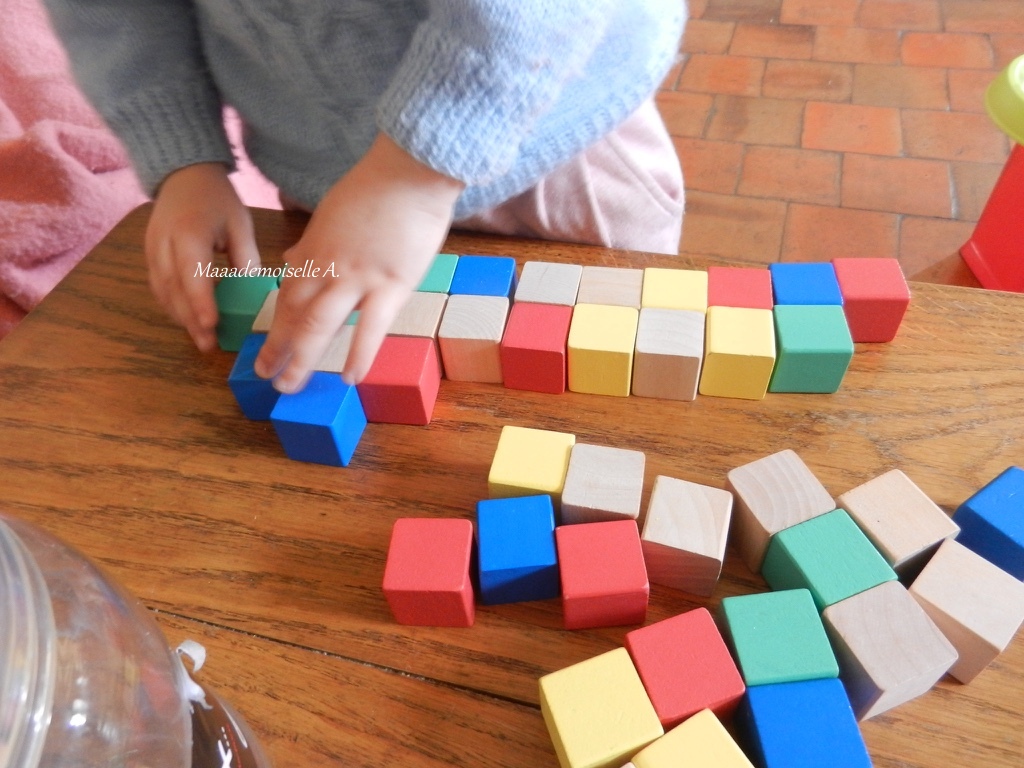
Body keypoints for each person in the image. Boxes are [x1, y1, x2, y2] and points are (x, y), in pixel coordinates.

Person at [44, 1, 686, 393]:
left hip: (553, 125)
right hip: (326, 169)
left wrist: (410, 172)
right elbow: (108, 10)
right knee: (356, 353)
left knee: (620, 350)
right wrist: (184, 158)